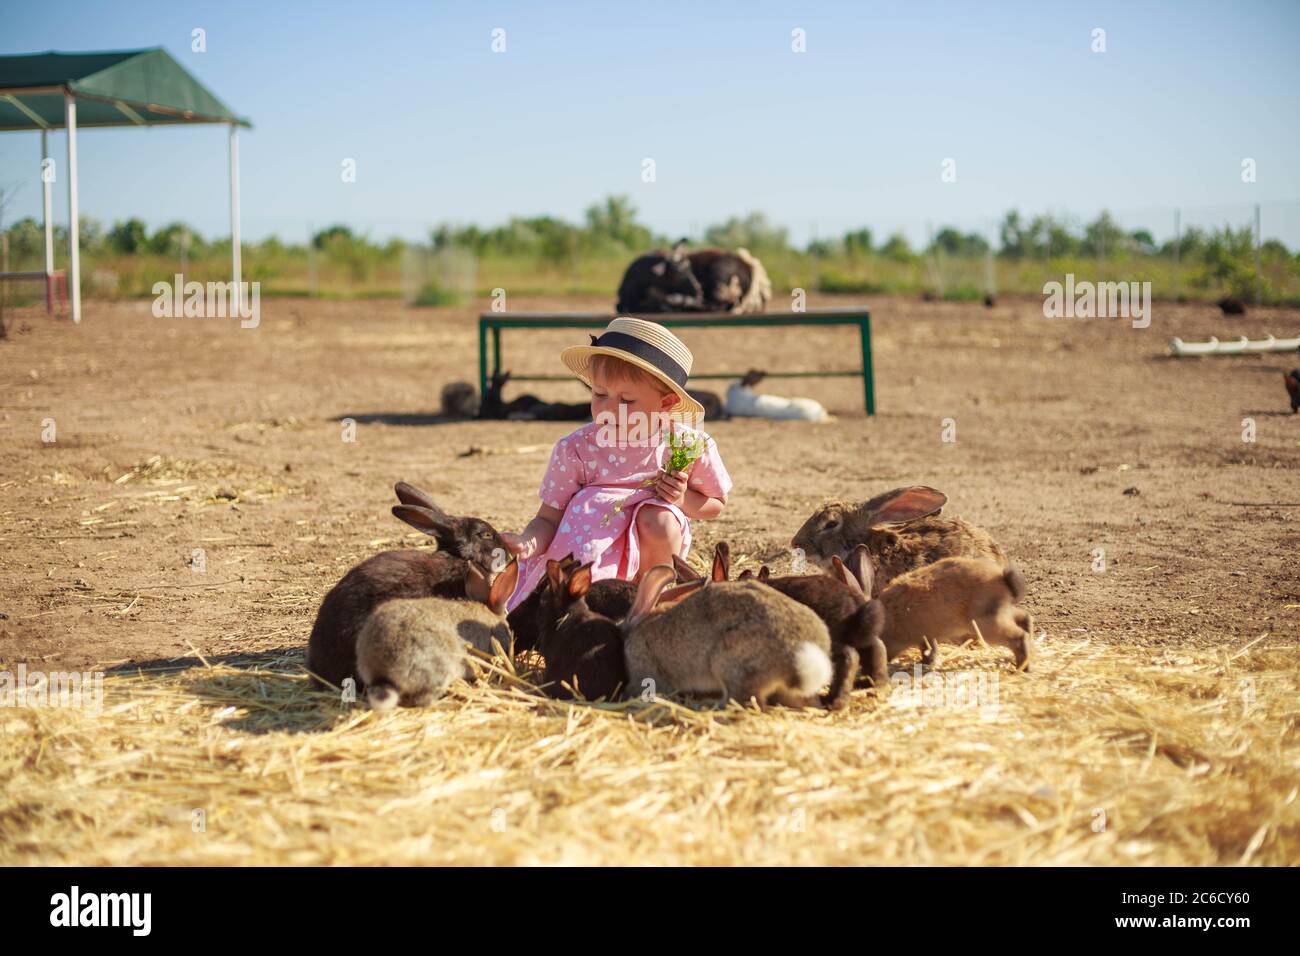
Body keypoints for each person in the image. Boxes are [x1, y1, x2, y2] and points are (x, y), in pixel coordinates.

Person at [499, 317, 732, 613]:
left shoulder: (685, 446)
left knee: (659, 518)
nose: (608, 408)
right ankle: (592, 610)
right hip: (588, 557)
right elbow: (548, 519)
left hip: (654, 548)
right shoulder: (577, 449)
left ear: (667, 403)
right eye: (599, 394)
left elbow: (715, 505)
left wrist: (682, 498)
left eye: (626, 401)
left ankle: (651, 604)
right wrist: (528, 542)